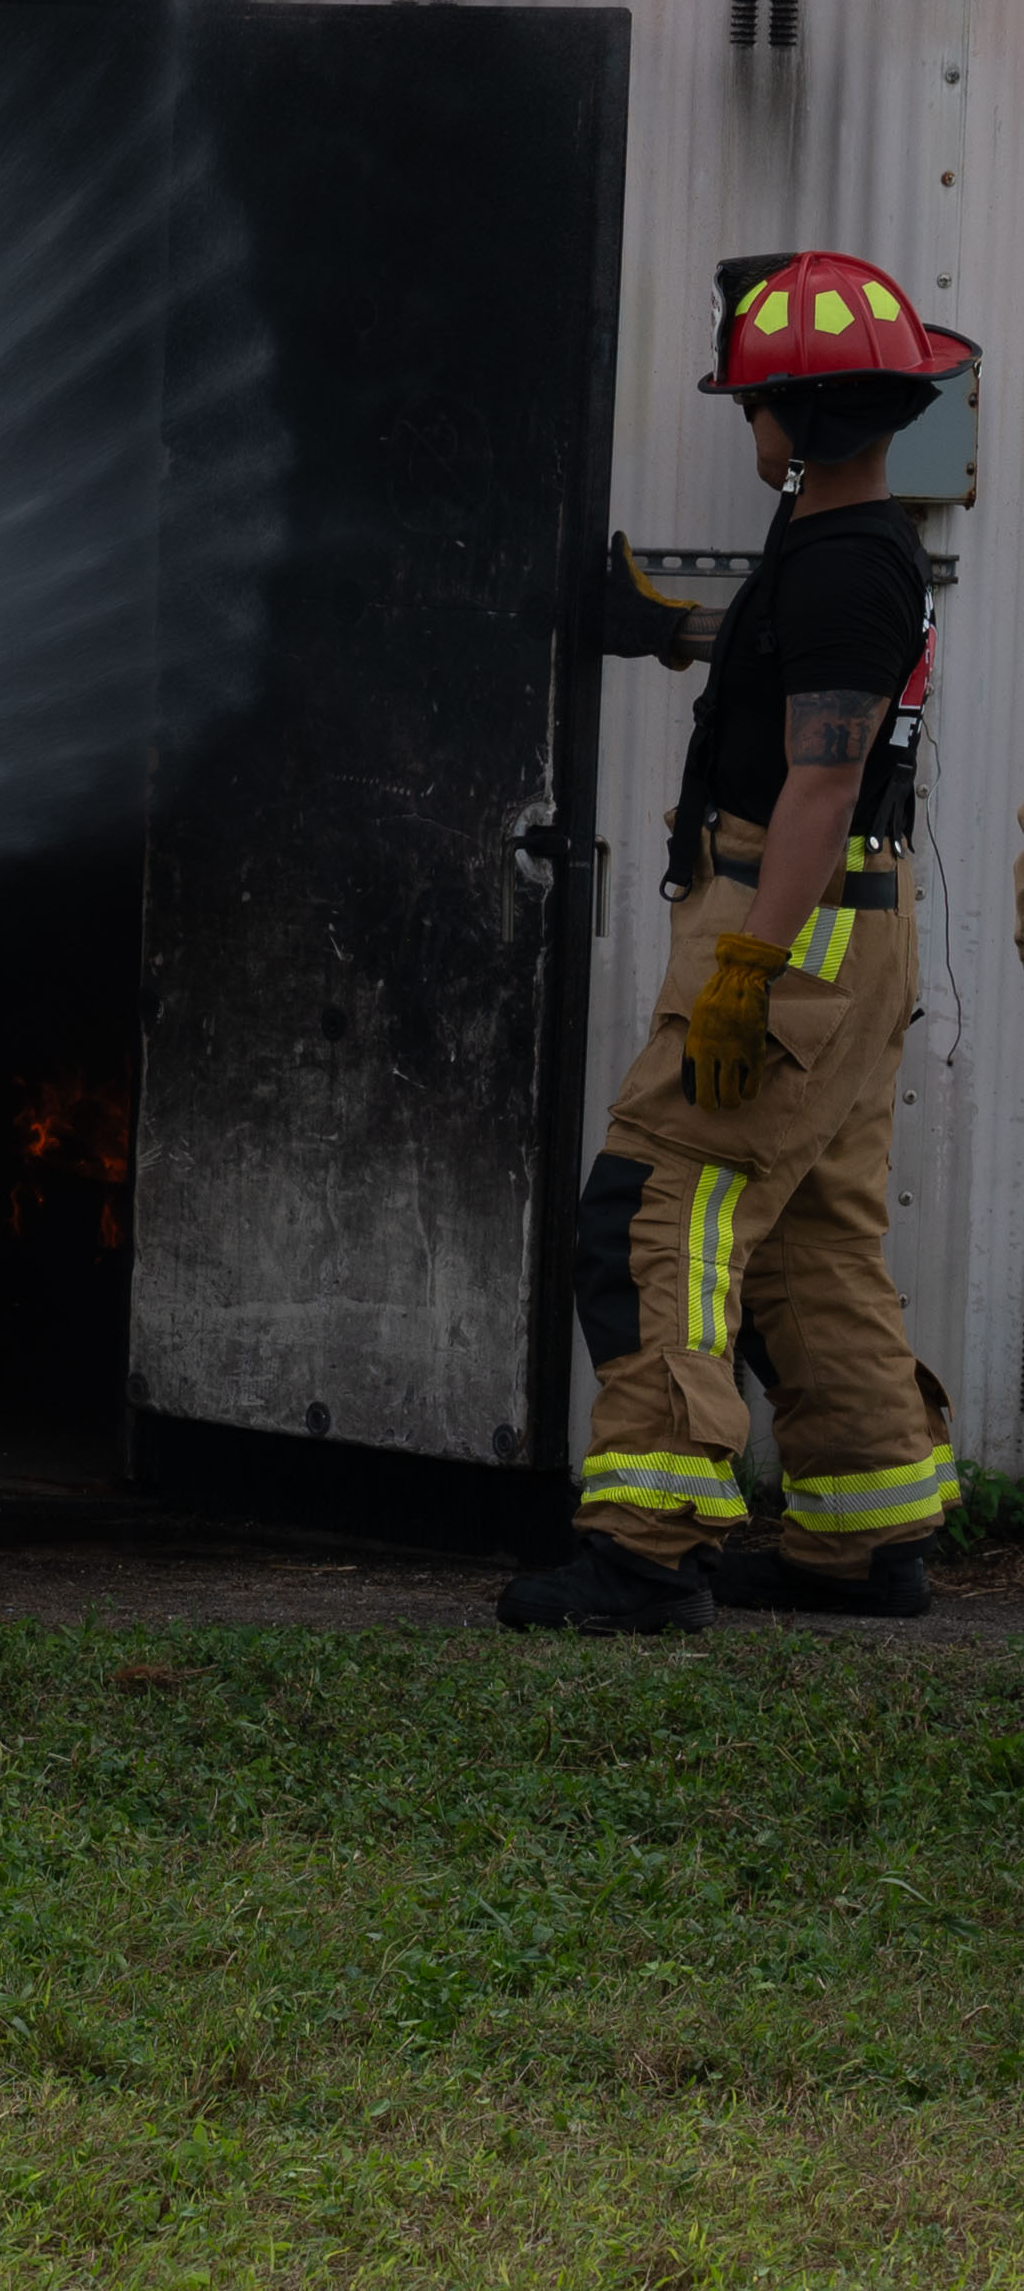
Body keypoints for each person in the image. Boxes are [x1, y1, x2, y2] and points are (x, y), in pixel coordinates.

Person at [502, 253, 971, 1635]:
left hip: (790, 929)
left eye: (752, 405)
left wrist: (746, 973)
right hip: (849, 936)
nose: (742, 425)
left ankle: (644, 1548)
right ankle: (865, 1537)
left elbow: (819, 779)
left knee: (655, 1210)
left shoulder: (841, 565)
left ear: (803, 416)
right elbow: (798, 671)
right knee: (811, 1233)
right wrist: (671, 633)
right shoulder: (850, 552)